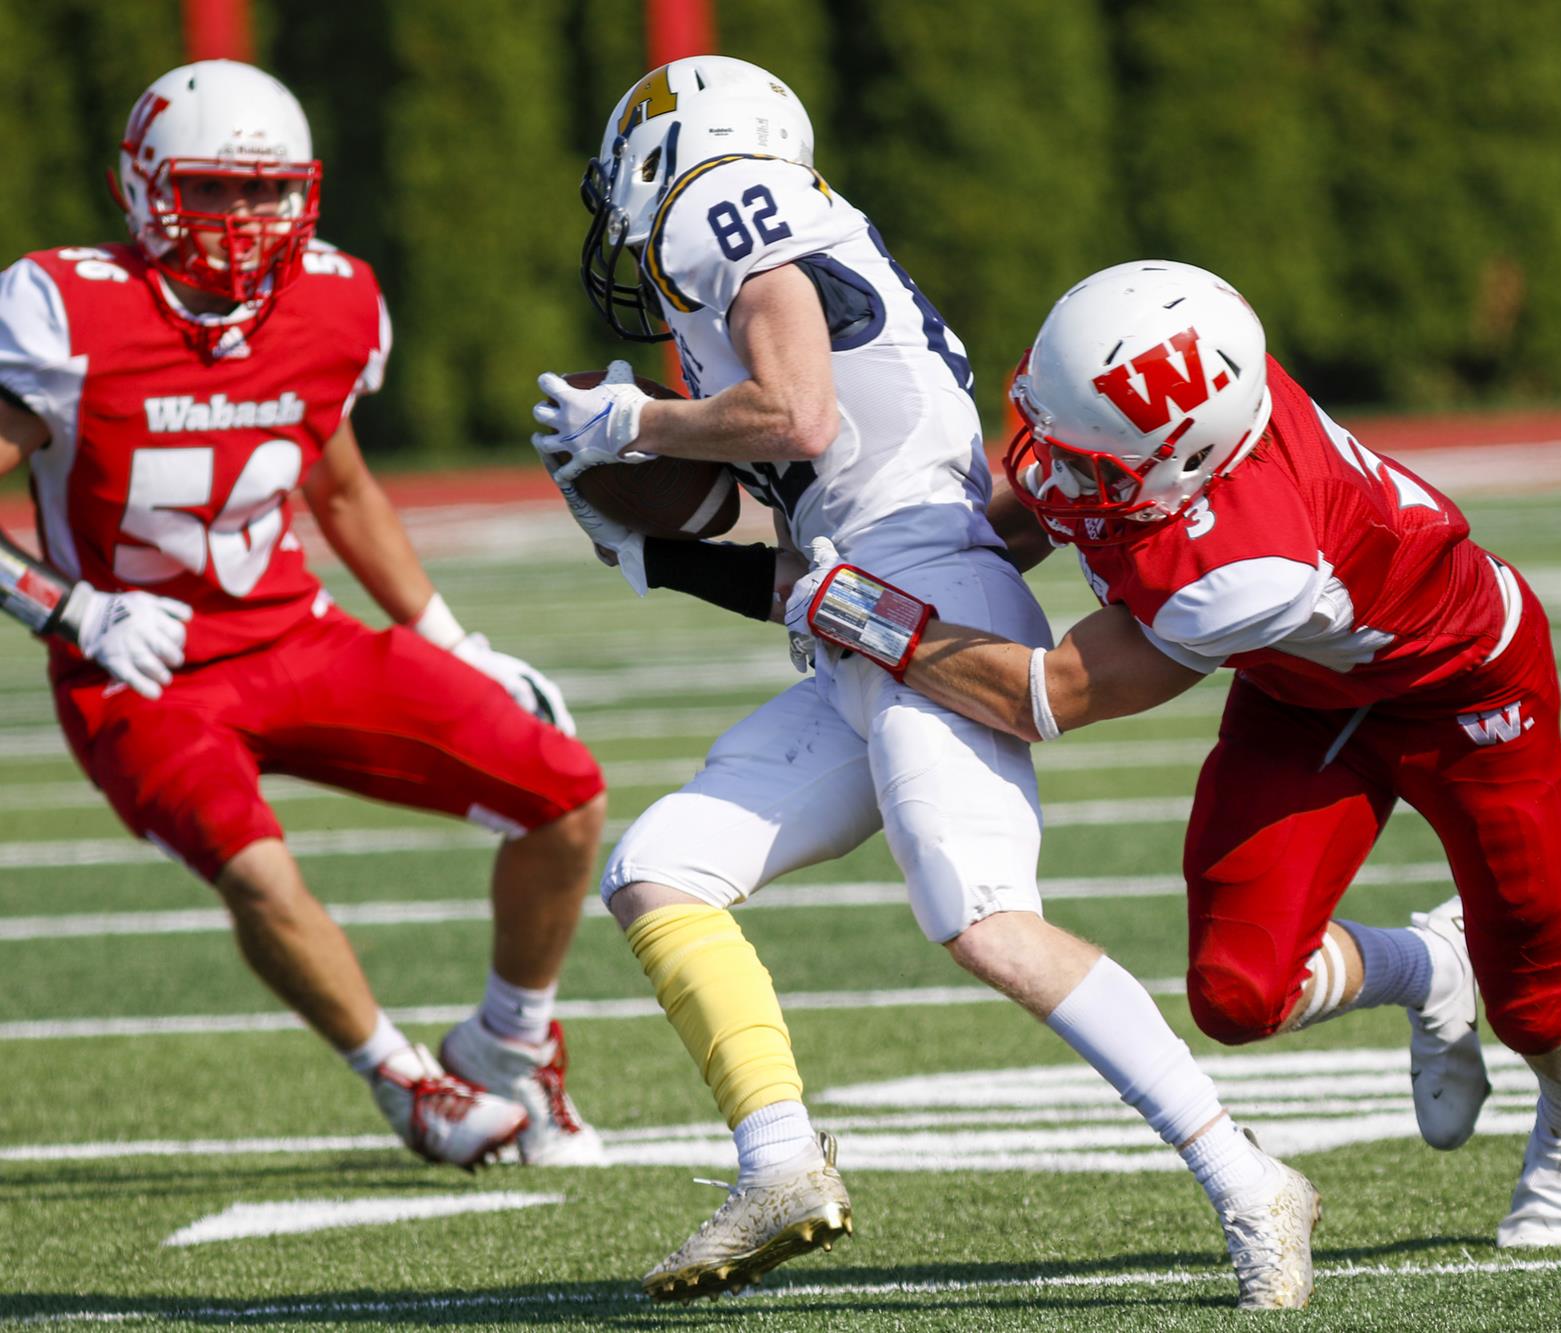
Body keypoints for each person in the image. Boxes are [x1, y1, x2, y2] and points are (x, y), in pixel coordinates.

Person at [535, 57, 1320, 1308]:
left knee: (984, 917)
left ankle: (1245, 1176)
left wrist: (636, 425)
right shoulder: (774, 236)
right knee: (659, 869)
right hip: (878, 602)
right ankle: (781, 1163)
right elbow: (799, 511)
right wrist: (637, 515)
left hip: (923, 599)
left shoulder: (721, 200)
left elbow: (791, 417)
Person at [787, 259, 1561, 1249]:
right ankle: (1427, 967)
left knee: (1531, 1001)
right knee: (1236, 994)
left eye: (1087, 462)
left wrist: (865, 611)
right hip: (1304, 691)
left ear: (1189, 462)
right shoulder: (1174, 424)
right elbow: (1039, 508)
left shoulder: (1243, 562)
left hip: (1466, 695)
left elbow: (1039, 696)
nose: (1048, 467)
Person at [0, 60, 609, 1169]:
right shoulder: (70, 310)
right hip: (143, 670)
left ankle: (507, 1045)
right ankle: (401, 1083)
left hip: (292, 634)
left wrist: (451, 641)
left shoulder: (332, 299)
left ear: (306, 193)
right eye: (211, 191)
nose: (242, 219)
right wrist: (73, 612)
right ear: (139, 188)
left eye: (266, 190)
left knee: (562, 792)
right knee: (256, 867)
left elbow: (338, 487)